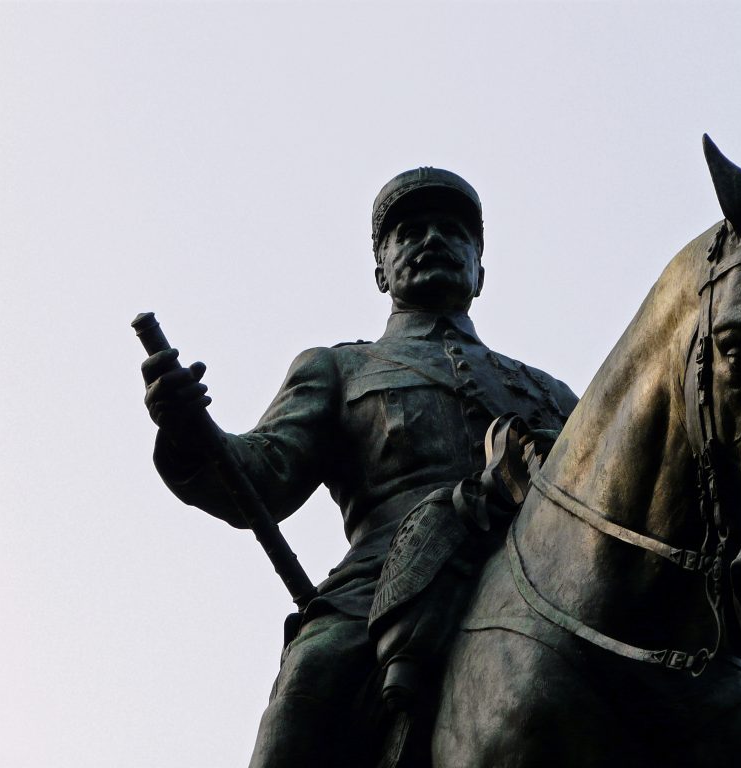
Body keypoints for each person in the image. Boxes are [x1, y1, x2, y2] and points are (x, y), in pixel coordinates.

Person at [141, 167, 579, 768]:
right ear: (380, 270)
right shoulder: (339, 368)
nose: (434, 240)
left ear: (481, 269)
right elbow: (261, 477)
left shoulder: (549, 392)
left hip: (547, 567)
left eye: (454, 231)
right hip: (388, 579)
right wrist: (192, 433)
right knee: (312, 676)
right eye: (411, 231)